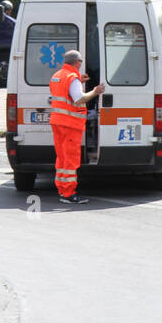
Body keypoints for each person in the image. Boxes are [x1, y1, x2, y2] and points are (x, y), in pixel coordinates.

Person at [48, 48, 104, 205]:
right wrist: (95, 91)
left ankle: (62, 189)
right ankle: (68, 193)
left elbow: (64, 92)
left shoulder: (57, 76)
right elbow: (79, 99)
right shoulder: (73, 78)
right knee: (71, 159)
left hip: (58, 122)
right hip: (70, 124)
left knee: (62, 157)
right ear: (77, 62)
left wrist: (79, 80)